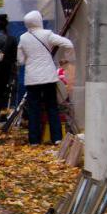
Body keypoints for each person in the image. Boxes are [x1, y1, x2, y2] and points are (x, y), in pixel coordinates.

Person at [17, 10, 73, 145]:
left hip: (32, 78)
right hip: (48, 76)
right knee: (52, 107)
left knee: (34, 109)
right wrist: (64, 56)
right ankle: (57, 137)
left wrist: (29, 58)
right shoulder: (47, 34)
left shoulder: (23, 38)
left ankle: (34, 140)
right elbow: (67, 43)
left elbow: (20, 60)